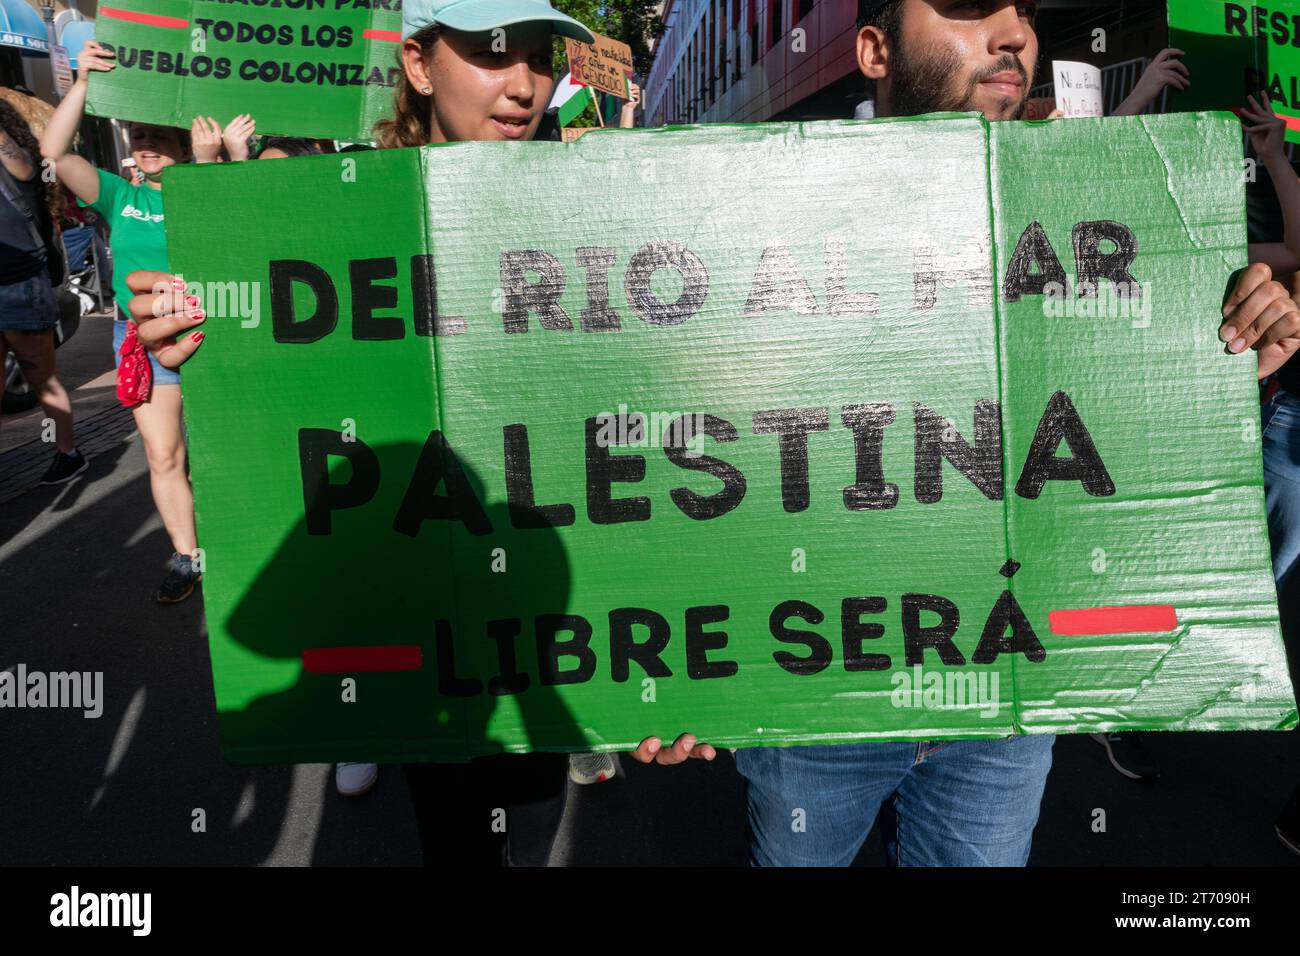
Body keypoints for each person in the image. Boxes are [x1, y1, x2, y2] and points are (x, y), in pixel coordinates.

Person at [629, 0, 1300, 867]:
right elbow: (689, 460)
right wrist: (667, 668)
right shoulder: (751, 212)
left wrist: (1219, 367)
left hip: (1005, 712)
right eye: (969, 7)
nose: (1014, 32)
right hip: (812, 708)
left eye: (1021, 10)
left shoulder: (1094, 205)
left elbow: (1110, 437)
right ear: (873, 48)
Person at [122, 0, 597, 864]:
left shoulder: (595, 207)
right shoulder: (327, 220)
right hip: (412, 612)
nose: (525, 84)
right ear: (419, 67)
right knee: (455, 830)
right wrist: (189, 318)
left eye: (539, 57)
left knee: (526, 828)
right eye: (494, 54)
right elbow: (278, 378)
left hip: (546, 615)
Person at [40, 39, 204, 604]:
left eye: (160, 135)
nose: (147, 143)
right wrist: (80, 82)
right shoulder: (117, 193)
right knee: (164, 455)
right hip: (139, 340)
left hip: (214, 332)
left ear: (185, 142)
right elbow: (55, 152)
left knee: (217, 450)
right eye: (140, 135)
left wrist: (214, 161)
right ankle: (188, 554)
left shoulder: (216, 183)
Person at [0, 100, 86, 484]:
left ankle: (66, 452)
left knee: (41, 379)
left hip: (20, 284)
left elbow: (22, 166)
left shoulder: (17, 160)